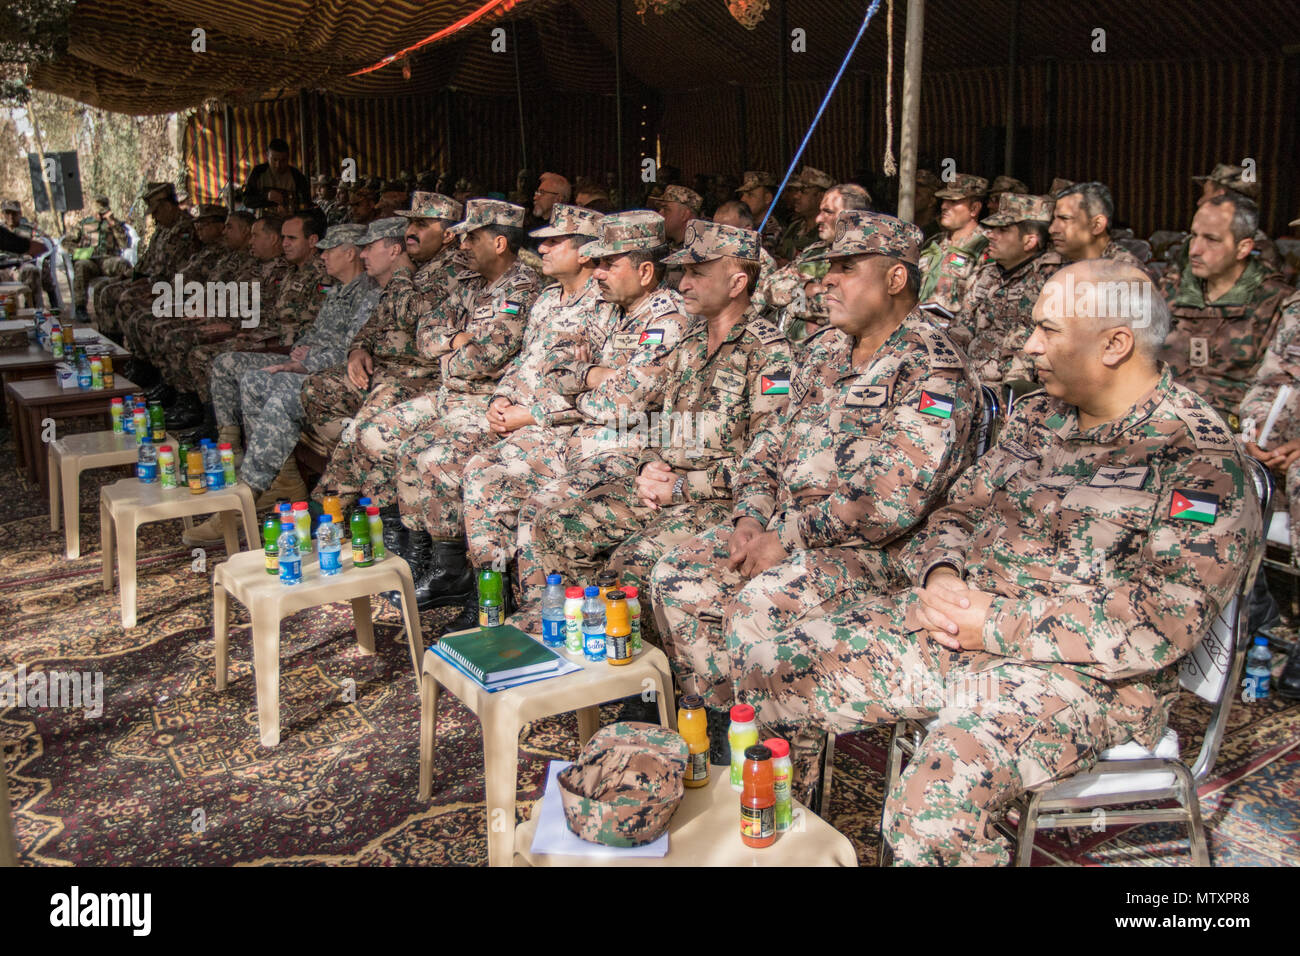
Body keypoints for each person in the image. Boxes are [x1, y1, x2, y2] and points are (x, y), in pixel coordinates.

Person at [735, 259, 1260, 860]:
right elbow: (958, 511)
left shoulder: (1197, 457)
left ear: (1115, 344)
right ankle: (790, 849)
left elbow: (1159, 623)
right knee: (770, 665)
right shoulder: (1038, 417)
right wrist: (943, 573)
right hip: (959, 629)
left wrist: (993, 623)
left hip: (1085, 678)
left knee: (935, 796)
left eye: (1050, 331)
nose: (1030, 346)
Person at [652, 211, 981, 776]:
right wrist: (751, 519)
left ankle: (784, 788)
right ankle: (725, 739)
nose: (825, 281)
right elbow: (767, 447)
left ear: (896, 280)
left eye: (846, 268)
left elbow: (889, 505)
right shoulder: (823, 352)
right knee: (676, 578)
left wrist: (786, 537)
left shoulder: (933, 368)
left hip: (883, 555)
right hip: (785, 531)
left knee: (763, 600)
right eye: (828, 268)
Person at [529, 221, 791, 651]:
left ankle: (651, 680)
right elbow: (658, 419)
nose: (682, 283)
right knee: (557, 526)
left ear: (737, 282)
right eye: (681, 273)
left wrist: (685, 486)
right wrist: (648, 464)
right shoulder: (688, 342)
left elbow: (768, 458)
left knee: (631, 564)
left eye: (696, 273)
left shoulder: (769, 352)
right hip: (664, 485)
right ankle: (586, 649)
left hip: (719, 500)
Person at [457, 210, 688, 628]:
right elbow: (555, 367)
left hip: (625, 450)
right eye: (595, 263)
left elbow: (625, 404)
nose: (597, 273)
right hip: (571, 437)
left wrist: (587, 381)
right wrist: (593, 378)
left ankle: (547, 621)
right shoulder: (611, 308)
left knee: (540, 511)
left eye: (608, 264)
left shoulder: (667, 318)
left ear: (646, 270)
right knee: (484, 474)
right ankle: (491, 598)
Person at [386, 204, 613, 615]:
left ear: (585, 252)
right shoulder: (548, 299)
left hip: (559, 429)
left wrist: (530, 414)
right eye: (541, 242)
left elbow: (591, 385)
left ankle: (489, 593)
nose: (540, 248)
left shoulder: (603, 305)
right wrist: (501, 398)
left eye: (553, 242)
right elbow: (520, 363)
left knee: (469, 472)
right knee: (437, 458)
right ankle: (471, 583)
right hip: (513, 415)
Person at [306, 200, 538, 516]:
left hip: (461, 393)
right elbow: (423, 333)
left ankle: (336, 508)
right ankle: (375, 518)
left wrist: (447, 356)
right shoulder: (472, 280)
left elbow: (482, 357)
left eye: (471, 237)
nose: (463, 244)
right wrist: (455, 339)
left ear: (499, 244)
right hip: (439, 387)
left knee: (395, 441)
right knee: (356, 422)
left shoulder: (509, 284)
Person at [184, 224, 382, 538]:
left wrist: (302, 364)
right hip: (308, 362)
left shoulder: (370, 293)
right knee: (242, 372)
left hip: (329, 375)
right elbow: (315, 334)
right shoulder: (337, 290)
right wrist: (301, 349)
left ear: (350, 252)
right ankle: (265, 472)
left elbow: (352, 351)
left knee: (273, 386)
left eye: (330, 249)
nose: (323, 255)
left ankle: (252, 493)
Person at [1158, 194, 1292, 427]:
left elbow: (1278, 389)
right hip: (1158, 417)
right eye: (1194, 236)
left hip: (1232, 430)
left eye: (1211, 239)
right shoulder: (1170, 291)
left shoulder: (1277, 302)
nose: (1195, 250)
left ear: (1243, 248)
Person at [960, 193, 1062, 384]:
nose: (991, 235)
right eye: (993, 229)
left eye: (1003, 230)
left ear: (1030, 241)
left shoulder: (1054, 278)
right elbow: (962, 326)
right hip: (972, 380)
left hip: (1019, 389)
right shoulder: (987, 274)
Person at [94, 184, 198, 339]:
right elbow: (147, 259)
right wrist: (127, 276)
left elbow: (173, 270)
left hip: (169, 287)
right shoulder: (163, 229)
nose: (154, 217)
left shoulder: (186, 229)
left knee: (120, 297)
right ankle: (112, 345)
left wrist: (145, 282)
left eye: (156, 211)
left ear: (168, 206)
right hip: (152, 281)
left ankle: (126, 352)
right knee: (102, 288)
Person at [917, 173, 992, 315]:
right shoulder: (933, 243)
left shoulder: (985, 246)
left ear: (974, 209)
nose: (944, 206)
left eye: (953, 201)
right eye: (944, 200)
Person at [1048, 181, 1146, 271]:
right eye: (1054, 219)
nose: (1052, 229)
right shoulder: (1048, 265)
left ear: (1097, 225)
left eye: (1065, 218)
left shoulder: (1127, 272)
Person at [64, 196, 131, 321]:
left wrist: (113, 225)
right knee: (81, 266)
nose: (101, 216)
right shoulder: (83, 225)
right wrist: (79, 252)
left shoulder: (114, 224)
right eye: (99, 212)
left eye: (103, 212)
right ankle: (80, 308)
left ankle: (127, 302)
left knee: (123, 264)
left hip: (108, 260)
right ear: (93, 211)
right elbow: (66, 243)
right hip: (90, 261)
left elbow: (124, 244)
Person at [775, 166, 833, 263]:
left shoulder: (830, 231)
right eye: (797, 192)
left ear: (820, 197)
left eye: (804, 192)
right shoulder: (794, 227)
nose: (796, 196)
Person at [242, 137, 311, 211]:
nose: (278, 165)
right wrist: (266, 197)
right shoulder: (258, 172)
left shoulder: (296, 176)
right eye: (274, 160)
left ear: (288, 158)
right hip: (263, 220)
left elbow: (306, 204)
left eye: (283, 160)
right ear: (267, 156)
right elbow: (247, 201)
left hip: (289, 220)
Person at [736, 170, 782, 254]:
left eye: (750, 194)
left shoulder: (772, 229)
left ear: (767, 198)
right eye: (742, 194)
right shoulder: (745, 224)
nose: (743, 199)